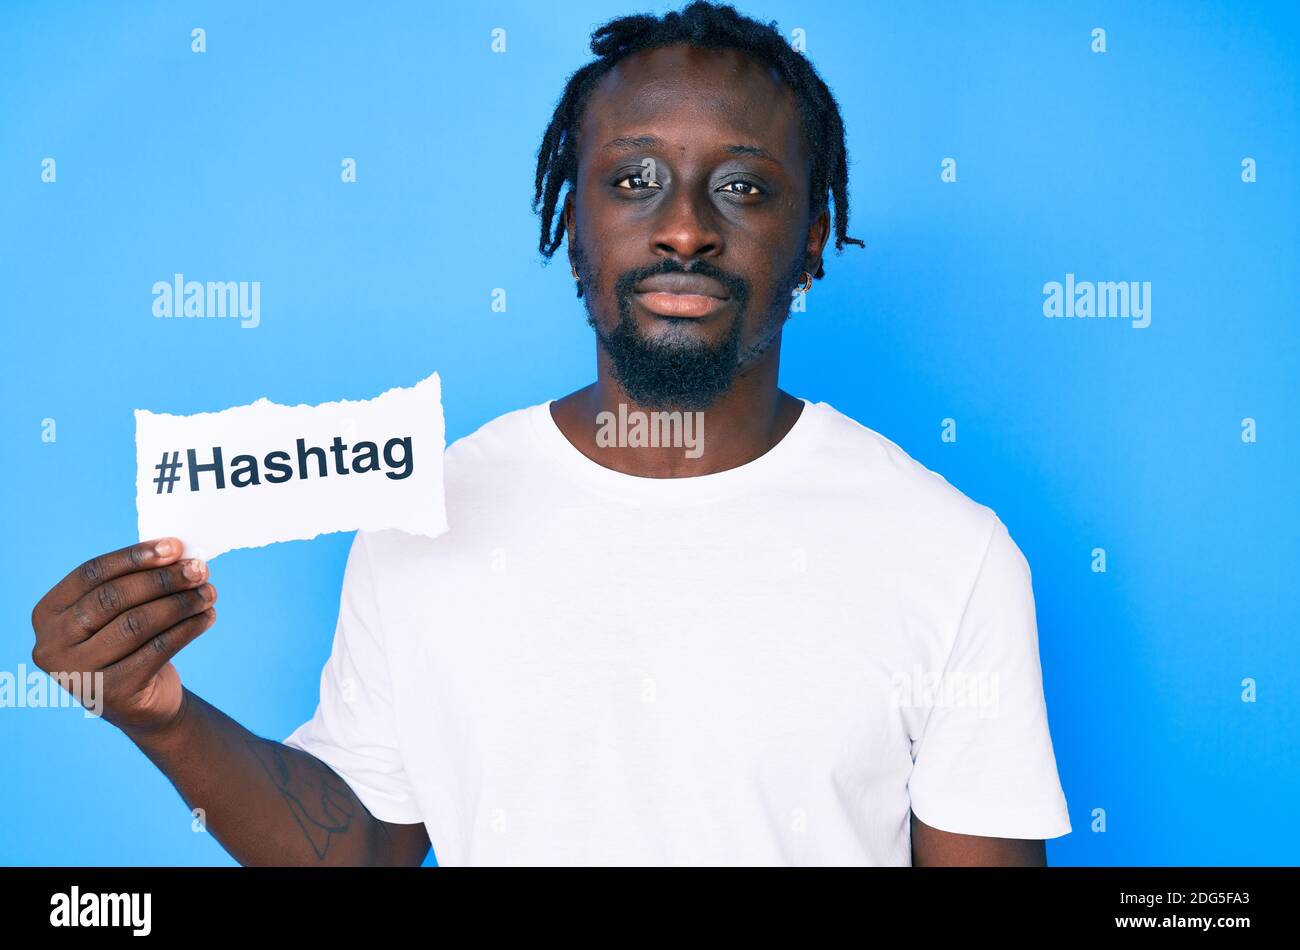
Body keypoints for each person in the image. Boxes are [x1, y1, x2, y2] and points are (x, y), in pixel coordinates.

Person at [28, 0, 1070, 866]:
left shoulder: (949, 551)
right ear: (571, 225)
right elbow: (356, 851)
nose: (684, 225)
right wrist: (158, 711)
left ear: (810, 237)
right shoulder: (427, 515)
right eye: (632, 179)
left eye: (743, 186)